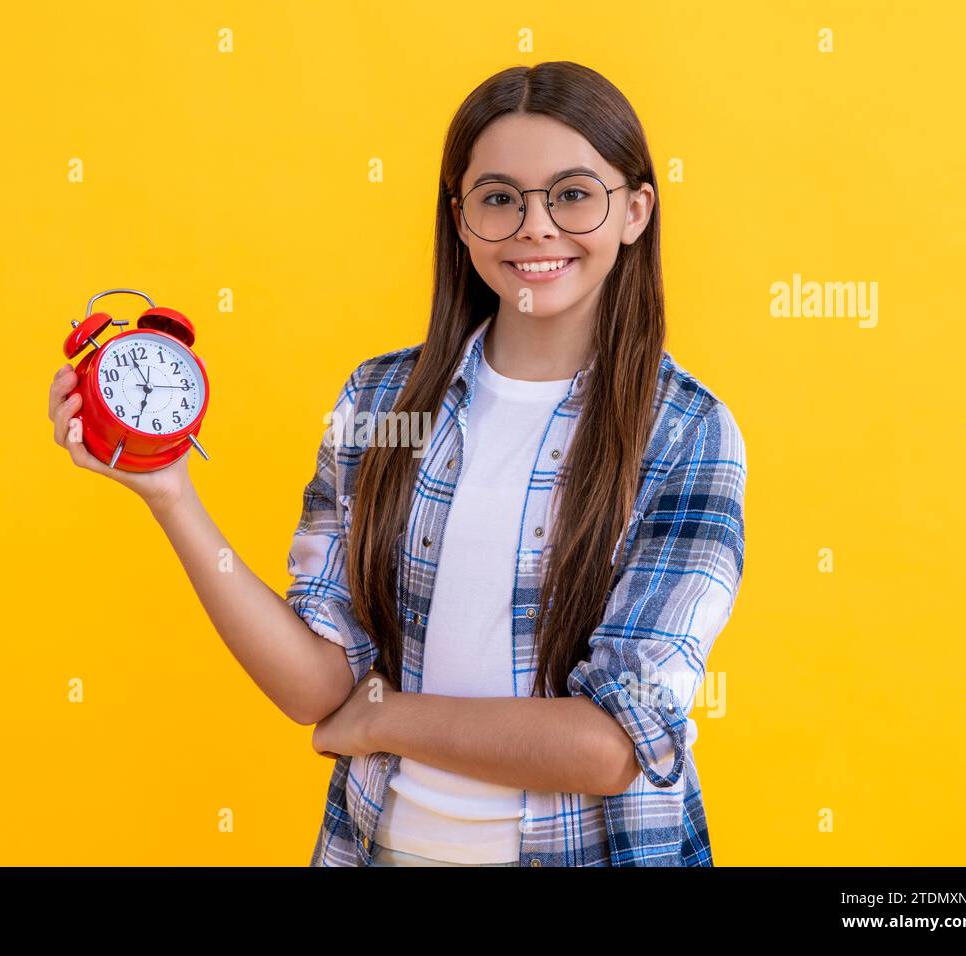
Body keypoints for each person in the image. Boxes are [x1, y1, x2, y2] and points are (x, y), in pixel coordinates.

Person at [48, 60, 747, 867]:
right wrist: (171, 495)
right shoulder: (382, 402)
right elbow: (316, 684)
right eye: (498, 198)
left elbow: (608, 744)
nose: (535, 226)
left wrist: (383, 718)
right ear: (460, 218)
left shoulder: (687, 430)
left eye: (573, 193)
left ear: (635, 209)